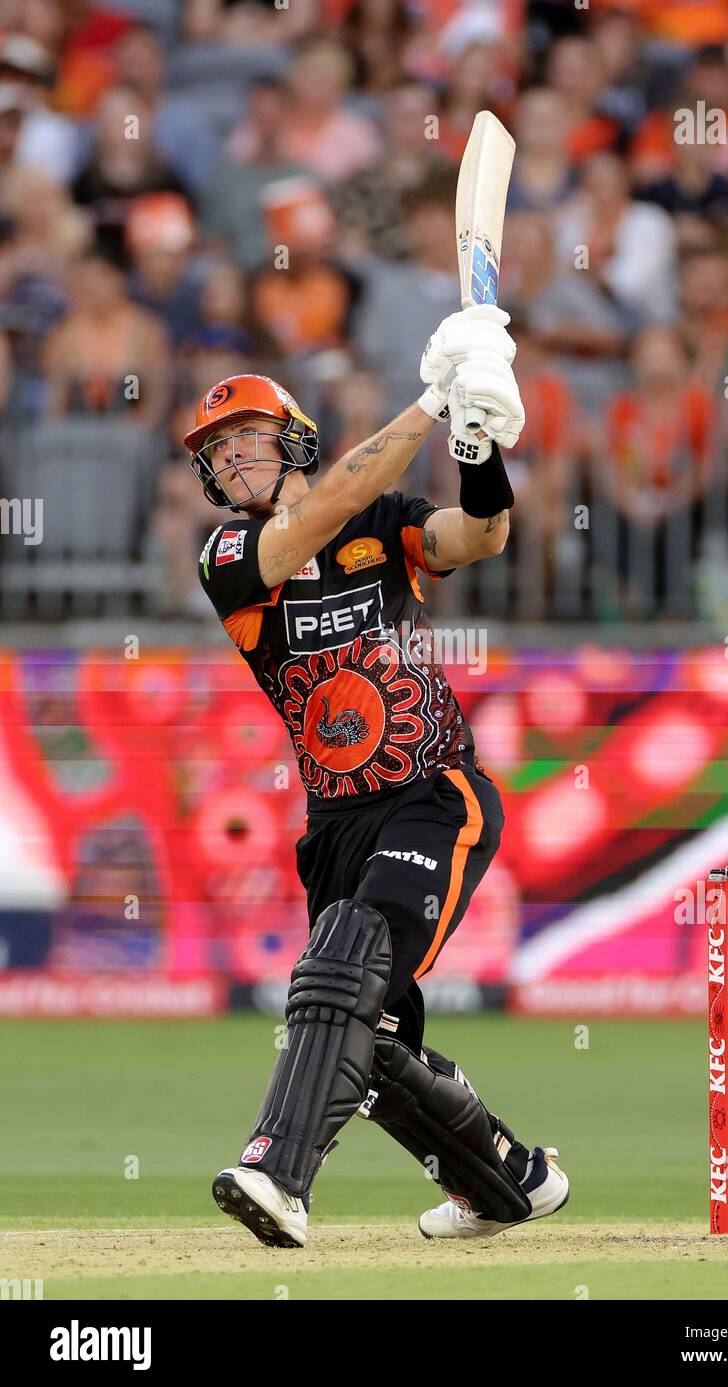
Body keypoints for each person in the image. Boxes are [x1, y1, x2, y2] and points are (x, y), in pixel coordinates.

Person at [186, 305, 569, 1246]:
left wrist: (476, 439)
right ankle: (511, 1181)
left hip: (436, 791)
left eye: (251, 440)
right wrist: (434, 399)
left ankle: (278, 1177)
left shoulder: (386, 525)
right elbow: (314, 518)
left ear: (296, 439)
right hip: (336, 826)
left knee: (348, 956)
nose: (234, 460)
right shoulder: (231, 560)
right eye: (218, 452)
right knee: (367, 1030)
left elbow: (481, 534)